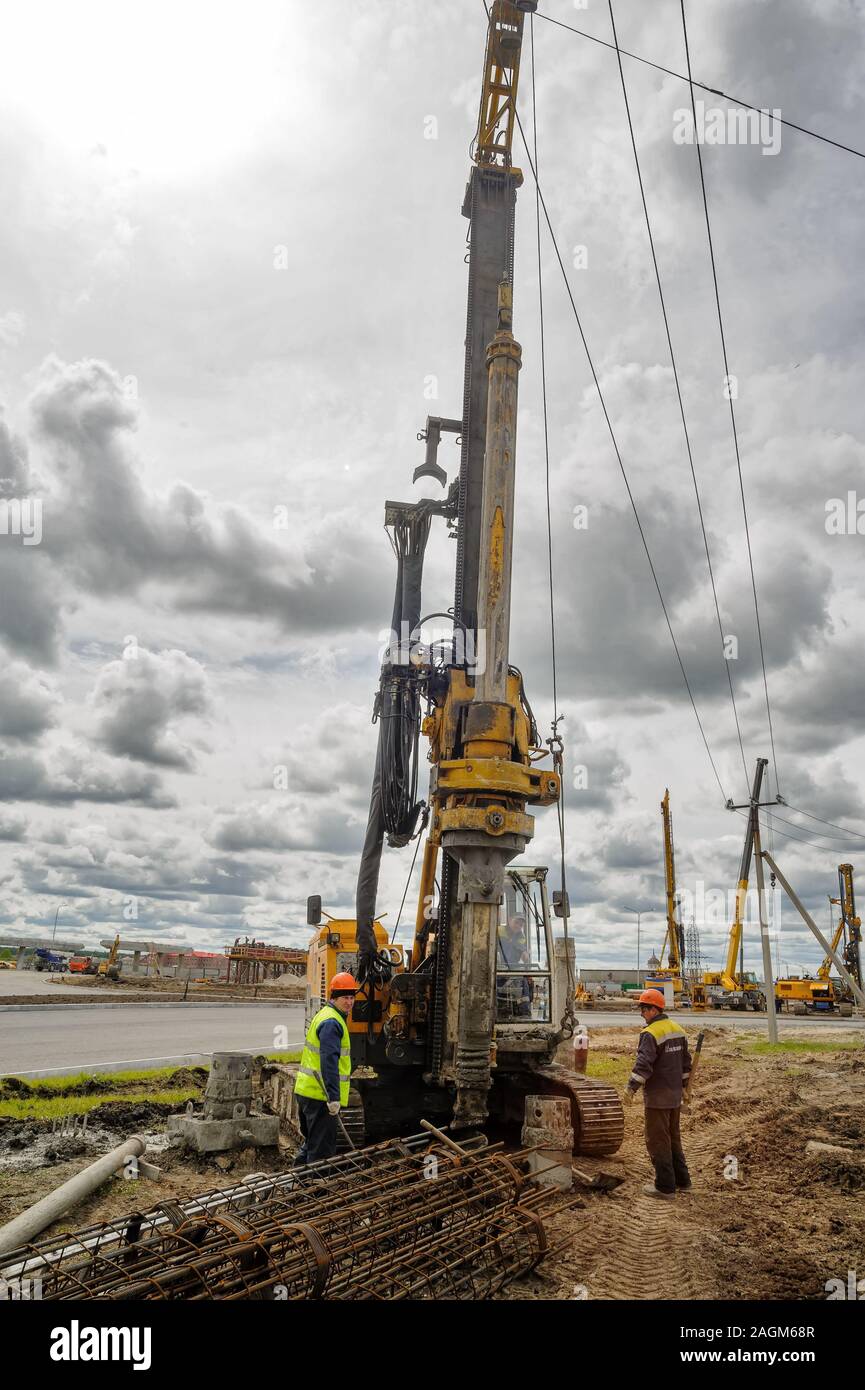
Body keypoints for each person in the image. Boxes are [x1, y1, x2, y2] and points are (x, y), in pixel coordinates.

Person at [623, 987, 692, 1200]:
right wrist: (685, 1087)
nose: (641, 1014)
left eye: (643, 1009)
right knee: (673, 1138)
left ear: (653, 1009)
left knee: (657, 1140)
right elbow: (685, 1064)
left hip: (657, 1097)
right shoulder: (677, 1029)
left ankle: (665, 1187)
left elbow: (644, 1065)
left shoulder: (650, 1033)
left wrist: (631, 1088)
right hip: (673, 1096)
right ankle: (682, 1181)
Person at [293, 972, 357, 1166]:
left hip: (308, 1092)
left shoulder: (326, 1015)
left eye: (352, 997)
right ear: (334, 998)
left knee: (313, 1144)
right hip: (320, 1096)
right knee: (321, 1153)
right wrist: (334, 1097)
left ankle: (296, 1183)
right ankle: (316, 1192)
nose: (349, 1002)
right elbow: (329, 1061)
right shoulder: (332, 1022)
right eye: (345, 998)